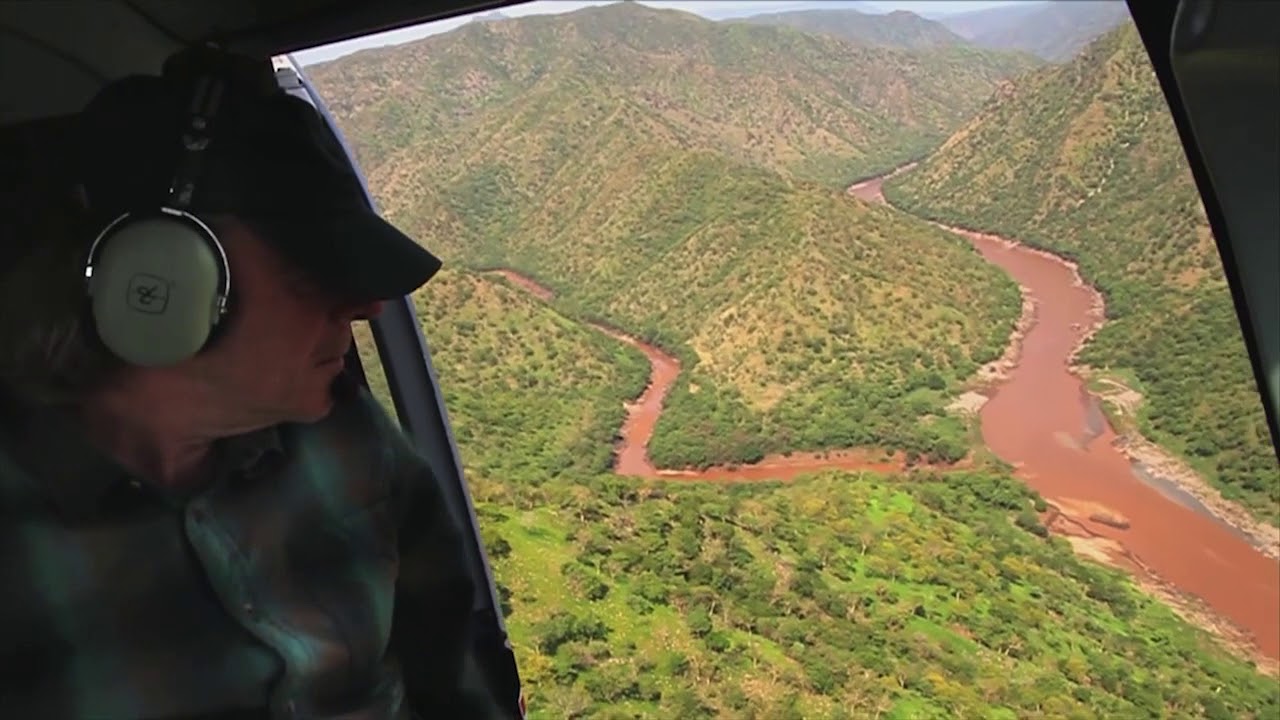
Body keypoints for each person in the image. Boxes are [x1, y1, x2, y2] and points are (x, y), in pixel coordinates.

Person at [0, 47, 500, 719]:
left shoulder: (347, 437)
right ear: (158, 283)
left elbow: (453, 661)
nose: (365, 306)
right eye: (313, 272)